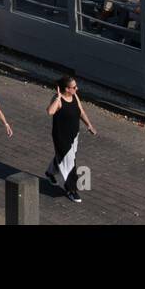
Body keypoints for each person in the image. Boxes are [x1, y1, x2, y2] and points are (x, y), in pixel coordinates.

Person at [45, 76, 96, 204]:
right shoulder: (58, 99)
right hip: (61, 137)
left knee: (67, 157)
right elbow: (50, 112)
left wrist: (89, 125)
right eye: (74, 87)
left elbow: (81, 112)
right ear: (67, 89)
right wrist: (57, 97)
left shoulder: (75, 96)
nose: (76, 88)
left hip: (74, 136)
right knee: (70, 163)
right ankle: (71, 190)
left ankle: (50, 172)